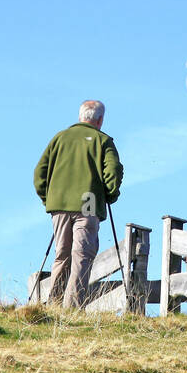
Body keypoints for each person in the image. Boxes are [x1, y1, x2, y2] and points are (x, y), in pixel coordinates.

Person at [33, 100, 123, 308]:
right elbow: (114, 170)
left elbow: (40, 173)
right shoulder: (103, 140)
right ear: (100, 120)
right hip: (88, 201)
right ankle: (72, 307)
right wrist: (110, 194)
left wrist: (50, 198)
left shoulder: (59, 138)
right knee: (82, 253)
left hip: (60, 203)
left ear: (80, 116)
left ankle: (54, 305)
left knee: (62, 253)